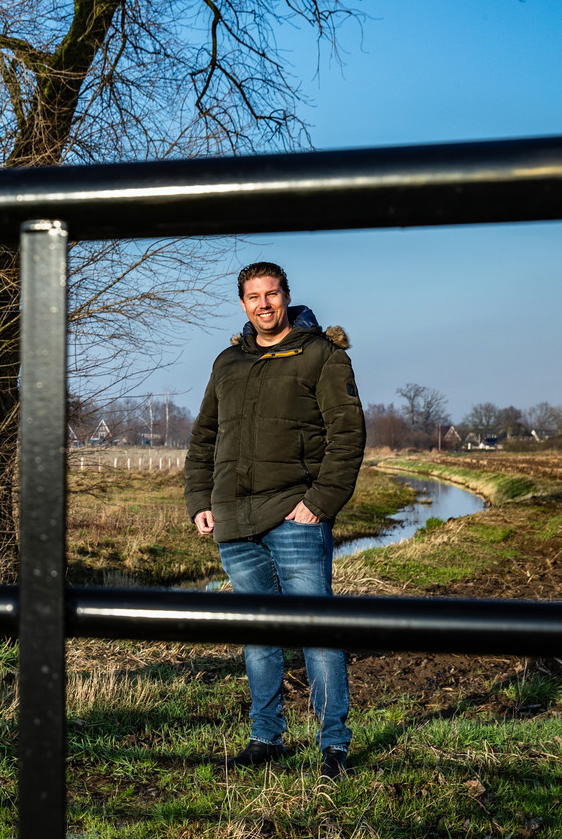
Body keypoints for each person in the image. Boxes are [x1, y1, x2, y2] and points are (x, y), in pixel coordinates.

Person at [183, 262, 365, 781]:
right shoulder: (227, 363)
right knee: (259, 633)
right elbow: (203, 439)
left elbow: (347, 436)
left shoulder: (321, 356)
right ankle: (266, 738)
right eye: (253, 296)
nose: (263, 304)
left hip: (295, 516)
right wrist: (201, 501)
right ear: (243, 304)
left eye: (272, 294)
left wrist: (320, 503)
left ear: (286, 297)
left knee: (316, 630)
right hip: (234, 522)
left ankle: (334, 746)